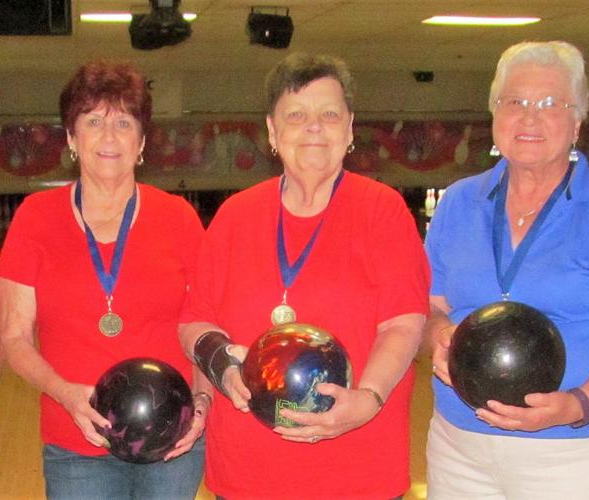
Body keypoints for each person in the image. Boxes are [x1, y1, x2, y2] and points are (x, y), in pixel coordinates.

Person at [424, 41, 589, 499]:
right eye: (514, 102)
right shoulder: (458, 203)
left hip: (576, 453)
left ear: (577, 121)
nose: (530, 117)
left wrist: (577, 404)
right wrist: (438, 335)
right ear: (494, 114)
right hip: (461, 444)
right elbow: (429, 308)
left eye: (551, 104)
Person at [179, 53, 430, 499]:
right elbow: (195, 321)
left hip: (358, 469)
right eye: (297, 115)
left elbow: (404, 324)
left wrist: (367, 399)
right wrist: (220, 365)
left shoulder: (383, 211)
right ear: (272, 132)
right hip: (246, 472)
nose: (314, 127)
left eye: (329, 114)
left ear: (349, 129)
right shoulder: (235, 216)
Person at [0, 60, 209, 500]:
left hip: (171, 439)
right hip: (76, 440)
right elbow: (14, 337)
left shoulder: (179, 219)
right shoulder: (35, 220)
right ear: (72, 138)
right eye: (93, 121)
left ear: (142, 141)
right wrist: (65, 394)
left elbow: (205, 329)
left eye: (124, 122)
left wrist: (203, 406)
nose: (109, 136)